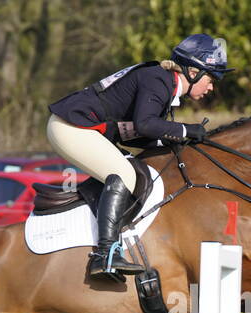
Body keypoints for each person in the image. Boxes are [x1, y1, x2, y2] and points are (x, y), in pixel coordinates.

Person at [46, 33, 233, 279]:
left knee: (133, 170)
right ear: (193, 72)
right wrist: (185, 130)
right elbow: (145, 124)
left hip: (81, 128)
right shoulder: (159, 80)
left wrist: (173, 140)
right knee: (124, 174)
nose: (211, 87)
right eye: (211, 78)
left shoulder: (163, 83)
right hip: (71, 127)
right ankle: (105, 254)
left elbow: (133, 134)